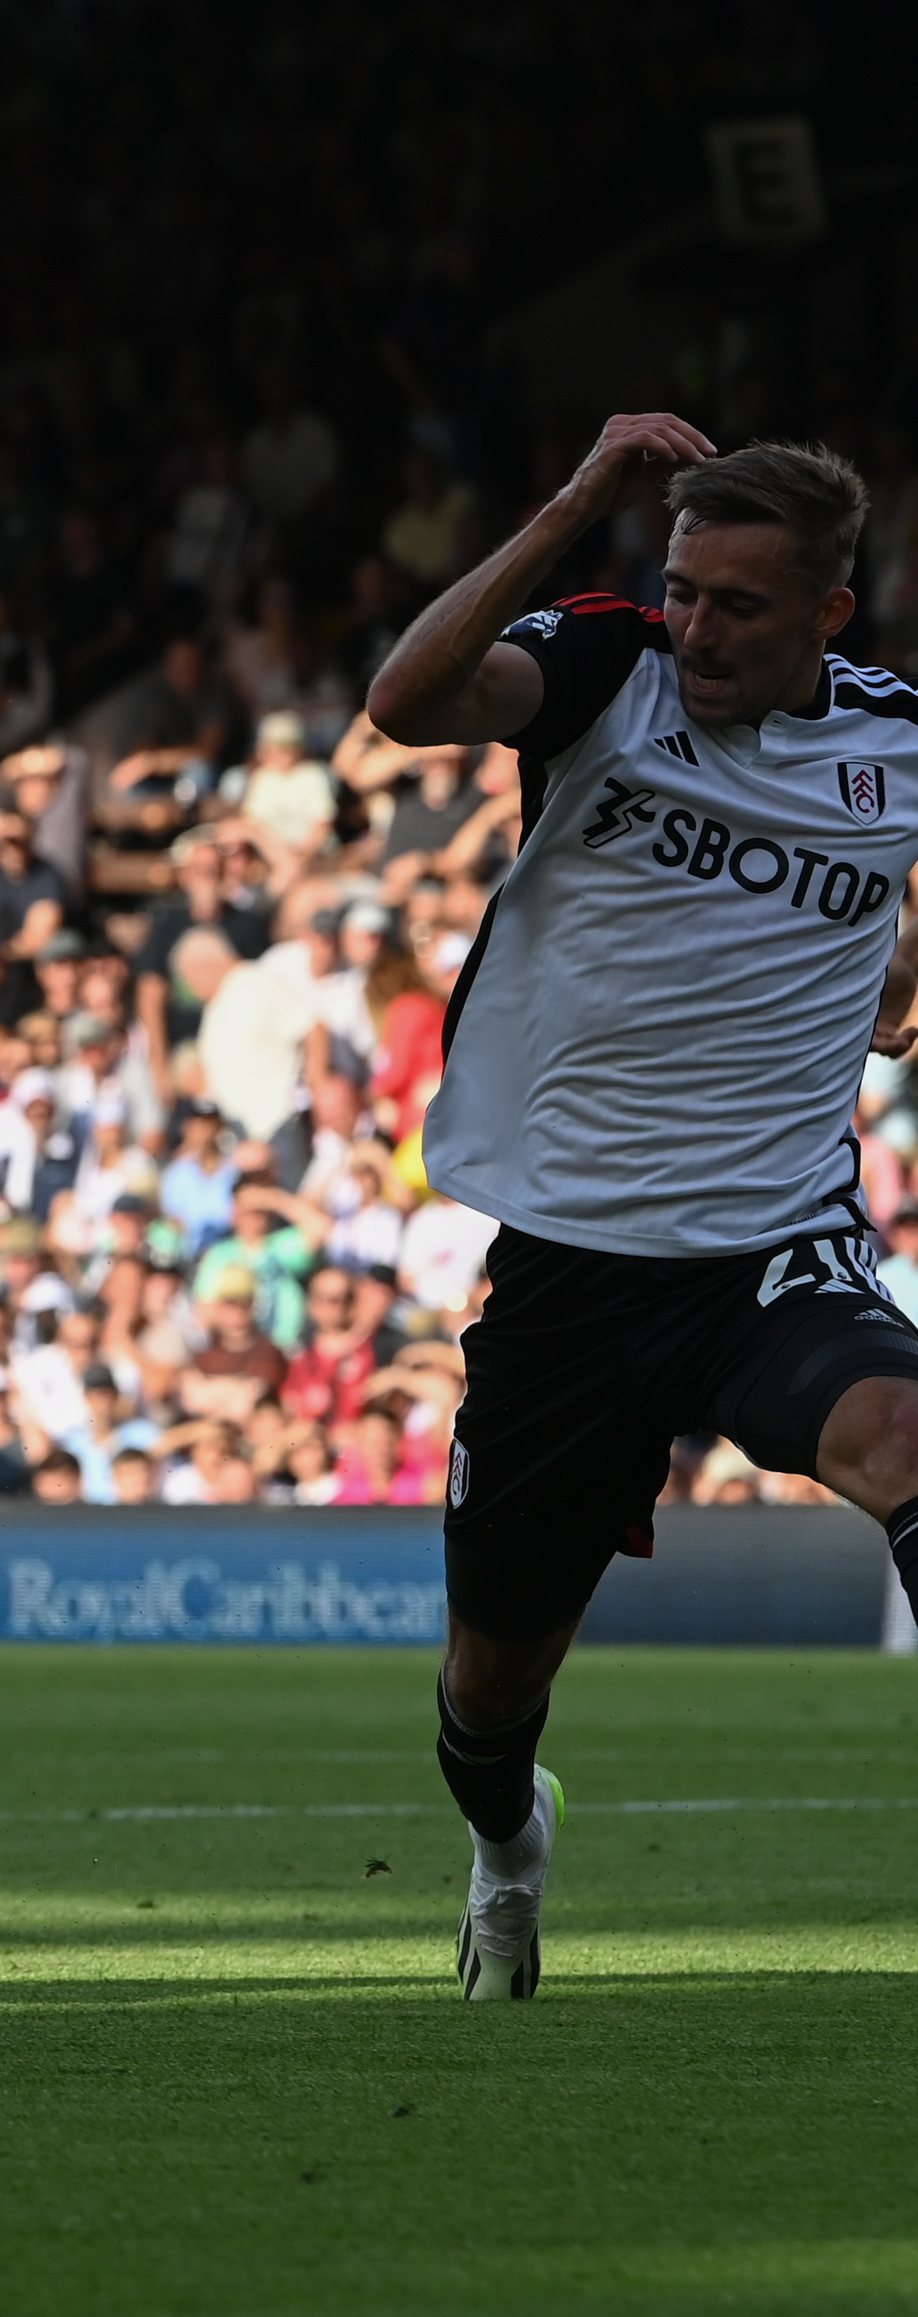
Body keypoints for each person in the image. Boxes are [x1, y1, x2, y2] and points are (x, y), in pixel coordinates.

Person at [367, 417, 918, 2000]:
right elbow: (404, 703)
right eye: (682, 589)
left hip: (771, 1250)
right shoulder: (609, 674)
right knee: (486, 1703)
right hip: (569, 1269)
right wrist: (568, 511)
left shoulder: (894, 739)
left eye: (740, 605)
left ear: (831, 610)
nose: (698, 629)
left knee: (904, 1436)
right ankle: (508, 1847)